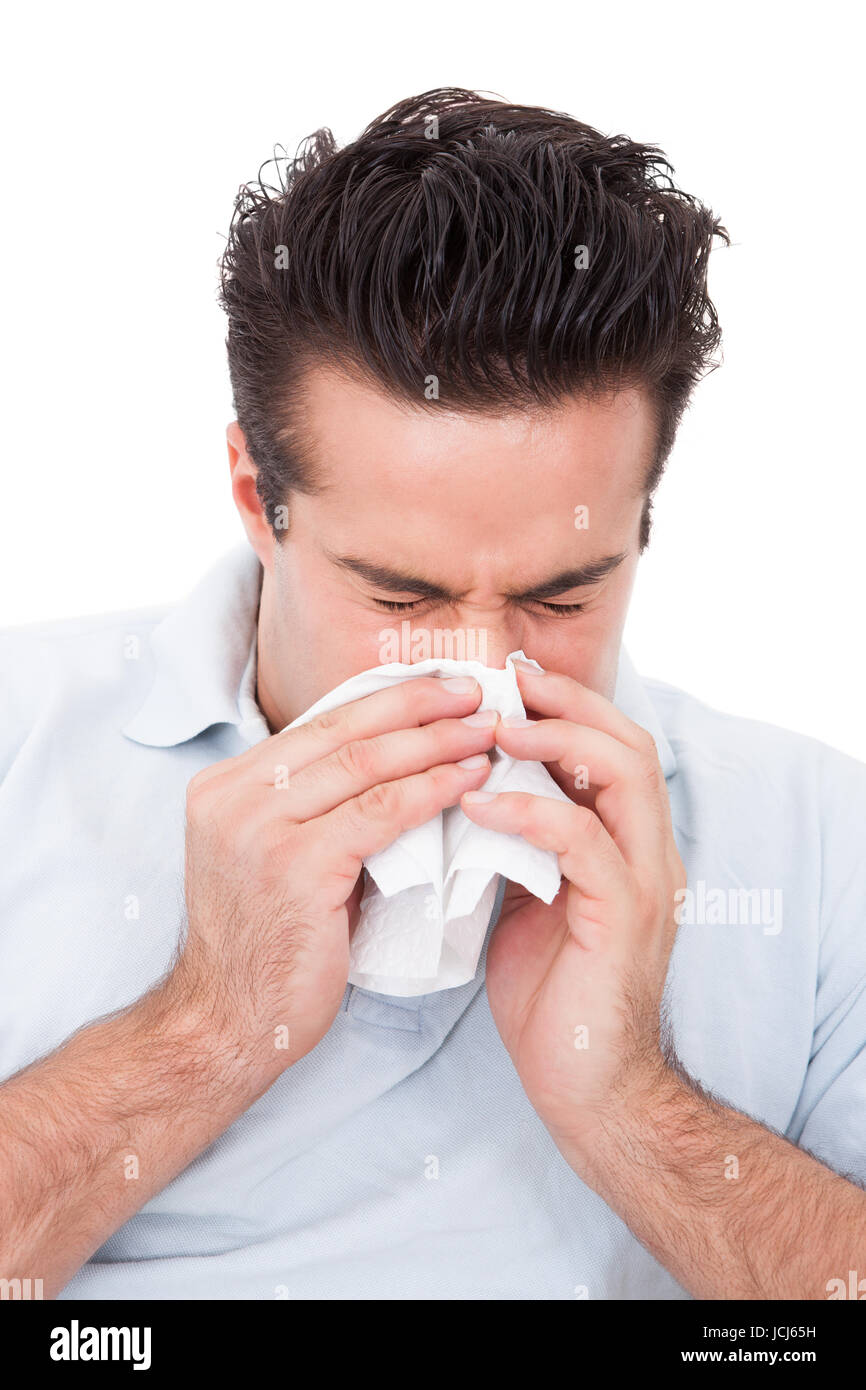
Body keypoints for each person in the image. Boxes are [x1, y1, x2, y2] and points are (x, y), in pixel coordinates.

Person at [1, 88, 864, 1302]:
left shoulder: (819, 839)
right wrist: (202, 1032)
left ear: (641, 525)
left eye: (562, 597)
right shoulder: (18, 740)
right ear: (258, 496)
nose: (479, 674)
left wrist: (627, 1100)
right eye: (398, 598)